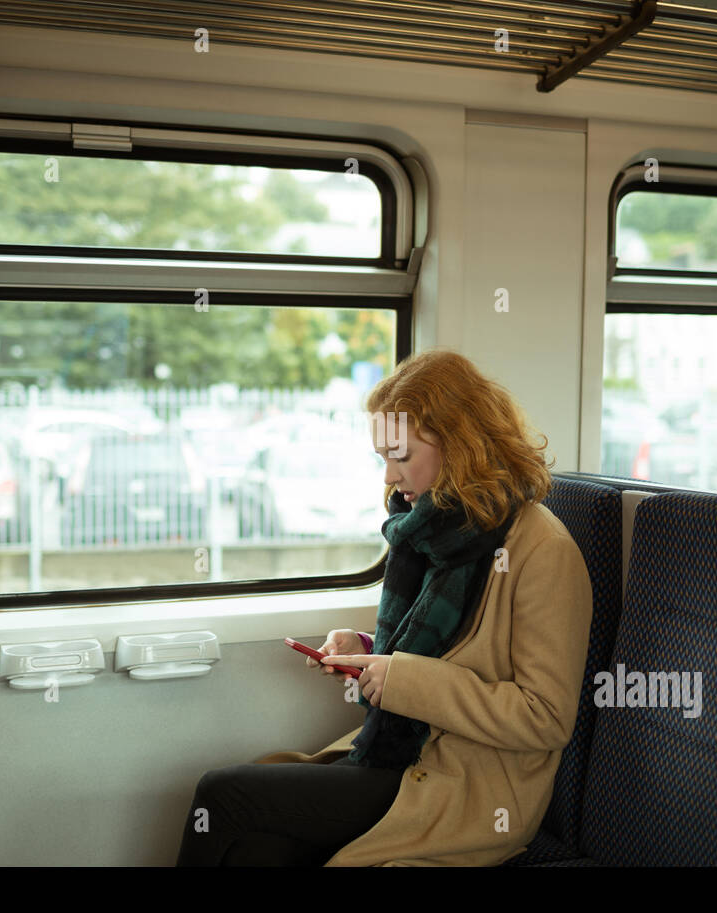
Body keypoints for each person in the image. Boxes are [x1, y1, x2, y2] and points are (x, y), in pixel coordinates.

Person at [175, 349, 592, 866]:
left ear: (460, 445)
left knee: (224, 796)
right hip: (402, 757)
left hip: (472, 789)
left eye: (401, 456)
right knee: (260, 845)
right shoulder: (431, 533)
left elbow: (546, 718)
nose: (391, 477)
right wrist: (368, 653)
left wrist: (400, 678)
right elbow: (436, 655)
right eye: (384, 459)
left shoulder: (542, 550)